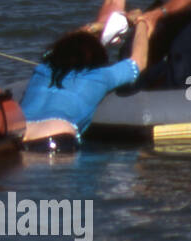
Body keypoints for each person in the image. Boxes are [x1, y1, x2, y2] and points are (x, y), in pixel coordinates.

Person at [20, 16, 153, 152]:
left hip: (18, 135)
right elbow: (138, 61)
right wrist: (140, 21)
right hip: (57, 137)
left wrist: (94, 27)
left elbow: (67, 42)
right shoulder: (100, 76)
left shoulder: (42, 69)